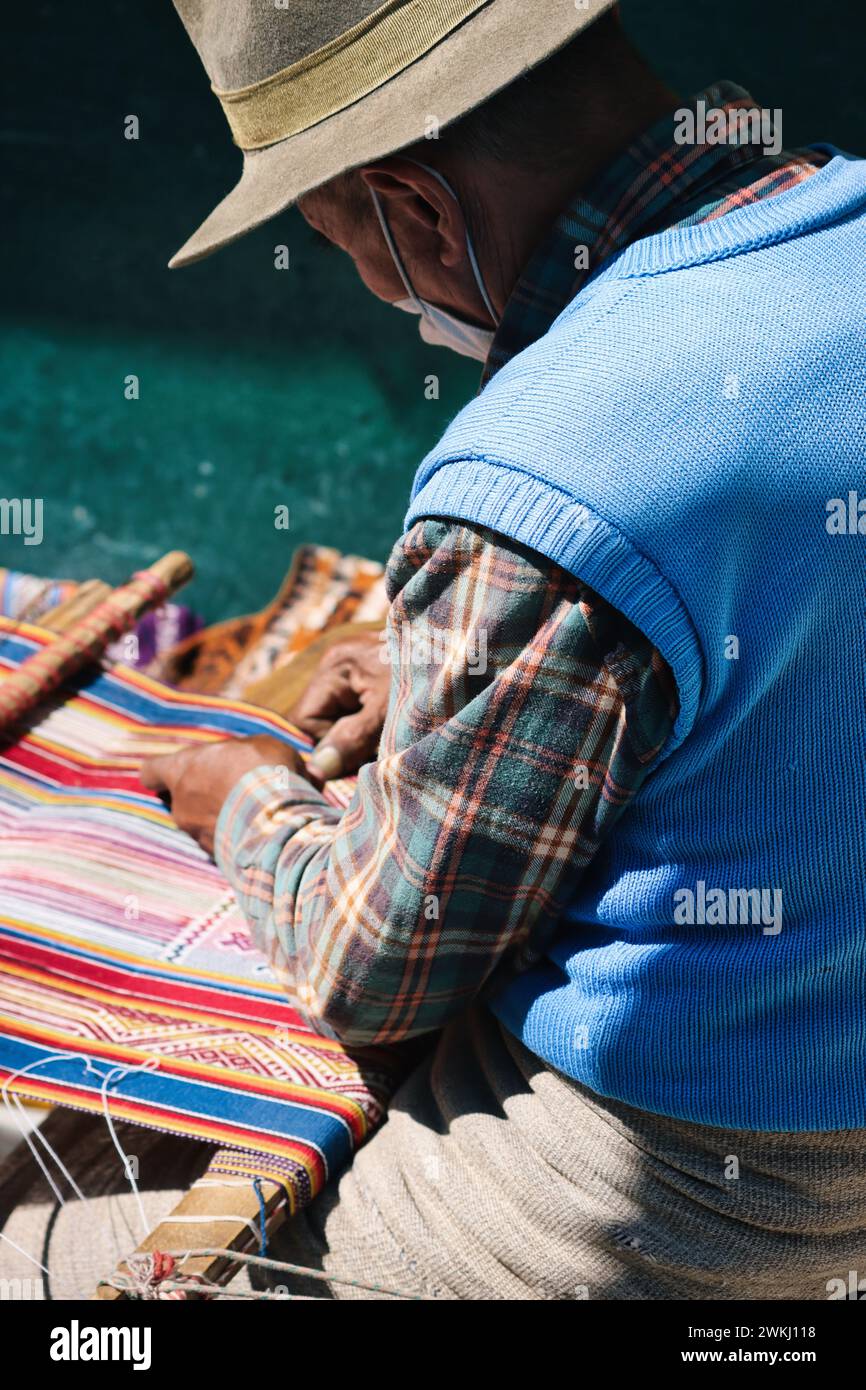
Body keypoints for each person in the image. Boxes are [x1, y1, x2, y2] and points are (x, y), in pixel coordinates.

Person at [135, 1, 865, 1297]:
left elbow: (378, 969)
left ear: (416, 214)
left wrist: (239, 798)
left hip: (683, 1216)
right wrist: (455, 661)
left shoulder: (548, 464)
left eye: (343, 236)